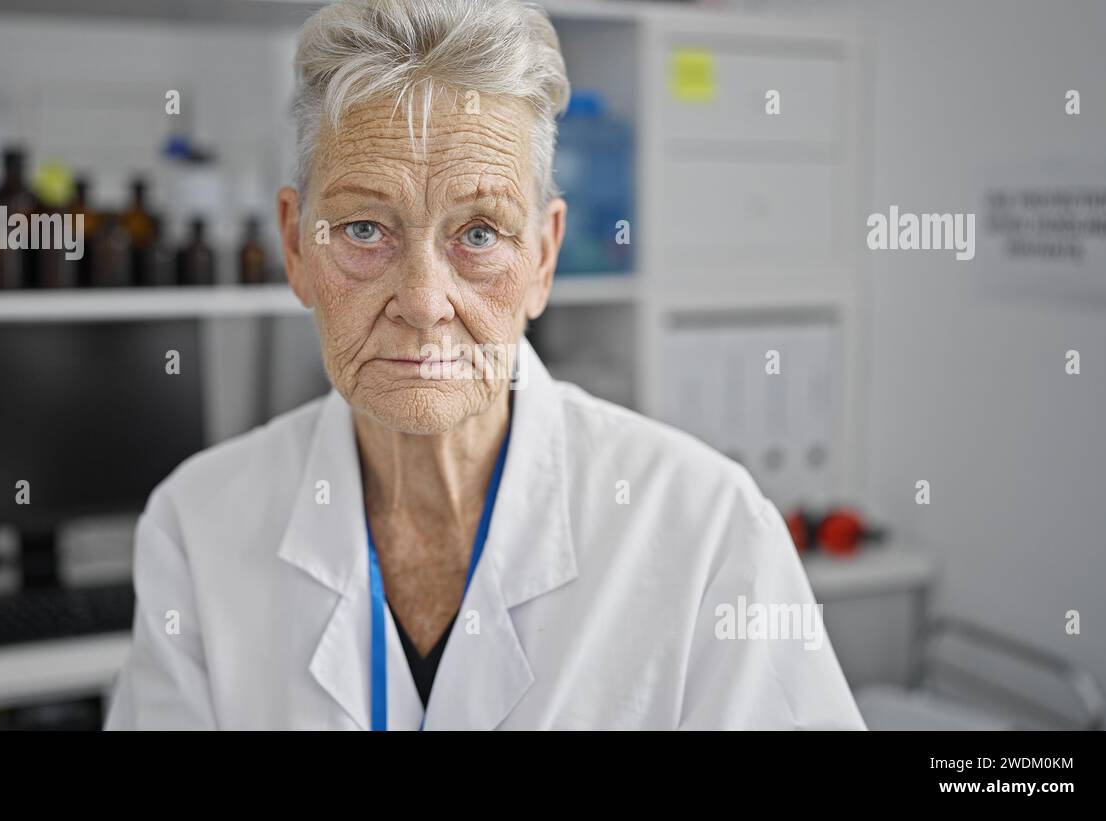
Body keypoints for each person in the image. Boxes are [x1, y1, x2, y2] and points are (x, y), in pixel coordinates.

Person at [105, 0, 865, 730]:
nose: (424, 301)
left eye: (478, 234)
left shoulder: (710, 531)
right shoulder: (197, 526)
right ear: (296, 249)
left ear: (542, 257)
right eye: (365, 227)